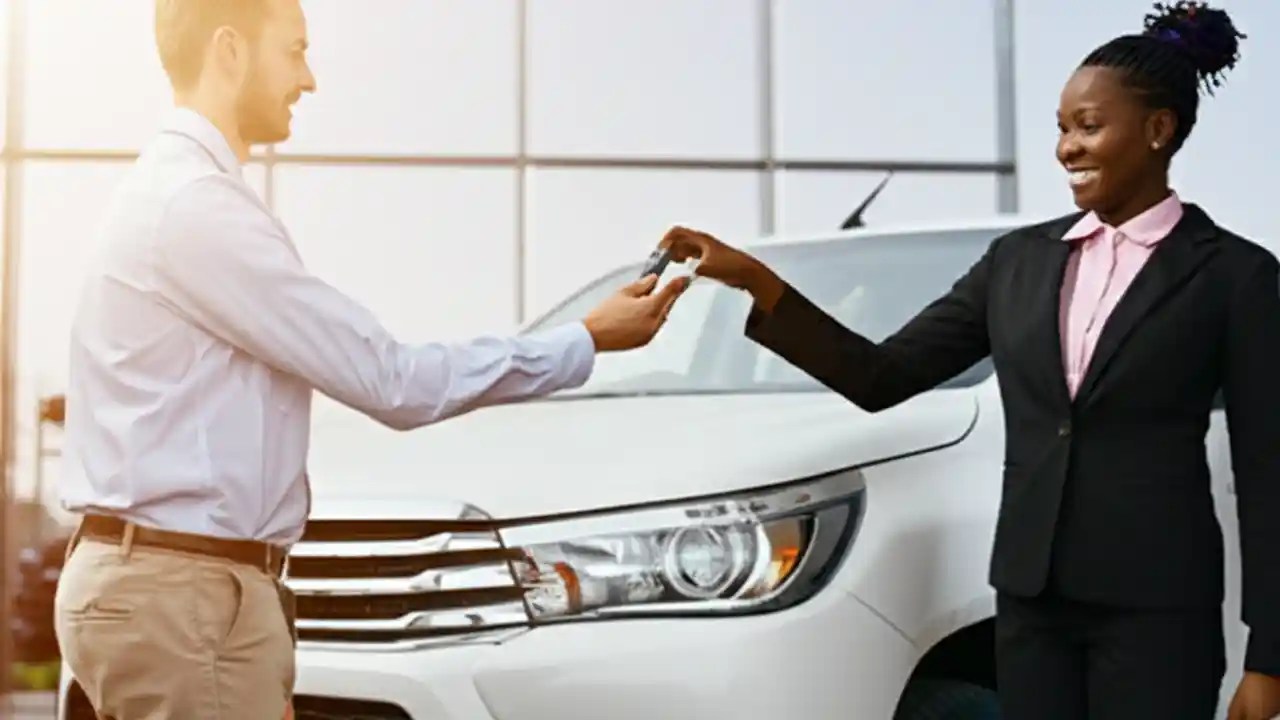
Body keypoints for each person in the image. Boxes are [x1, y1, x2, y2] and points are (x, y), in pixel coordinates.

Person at [51, 0, 688, 718]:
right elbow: (391, 380)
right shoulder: (198, 209)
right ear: (229, 50)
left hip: (178, 592)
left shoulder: (168, 195)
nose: (309, 79)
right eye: (294, 51)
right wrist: (585, 338)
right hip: (187, 599)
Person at [660, 3, 1280, 719]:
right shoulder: (1017, 262)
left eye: (1087, 126)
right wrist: (757, 282)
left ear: (1158, 129)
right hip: (1030, 607)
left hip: (1159, 611)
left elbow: (1269, 471)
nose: (1066, 149)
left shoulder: (1236, 276)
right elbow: (880, 376)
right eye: (1060, 128)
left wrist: (1270, 657)